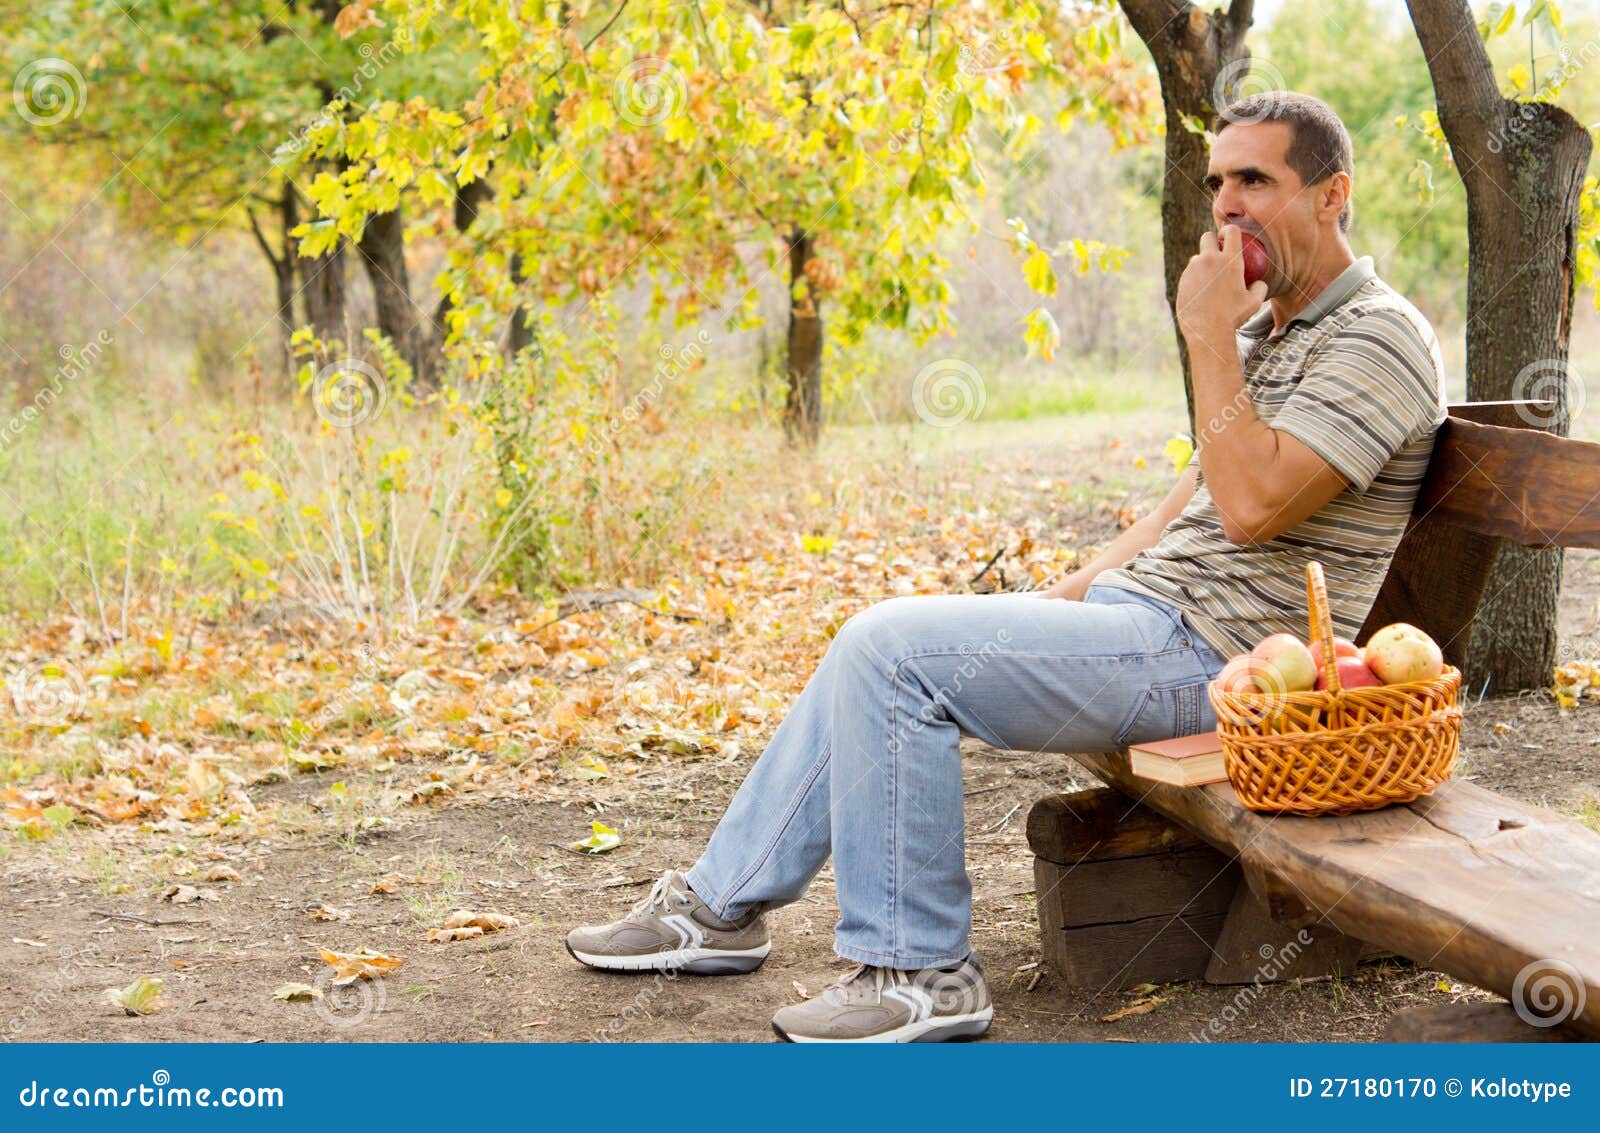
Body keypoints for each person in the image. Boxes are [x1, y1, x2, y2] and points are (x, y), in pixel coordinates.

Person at [563, 90, 1449, 1042]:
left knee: (892, 651)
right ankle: (719, 905)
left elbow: (1250, 506)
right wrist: (1068, 592)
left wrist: (1202, 339)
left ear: (1331, 195)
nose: (1226, 206)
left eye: (1255, 182)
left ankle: (922, 972)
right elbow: (1180, 508)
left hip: (1227, 666)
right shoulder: (1266, 334)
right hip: (1144, 623)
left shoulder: (1380, 337)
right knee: (885, 641)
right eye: (1217, 183)